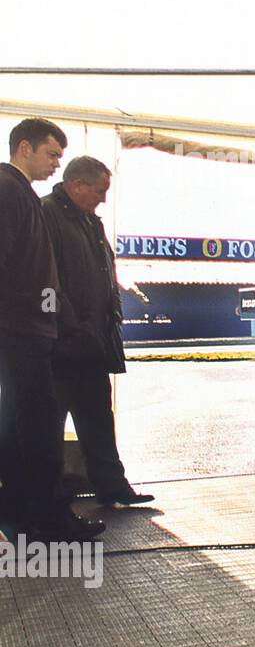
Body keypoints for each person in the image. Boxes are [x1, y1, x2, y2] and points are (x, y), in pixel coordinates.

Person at [0, 119, 104, 539]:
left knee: (22, 422)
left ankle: (21, 516)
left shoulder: (22, 194)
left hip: (31, 329)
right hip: (20, 331)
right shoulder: (9, 191)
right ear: (24, 148)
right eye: (51, 155)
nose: (56, 164)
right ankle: (44, 520)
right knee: (38, 426)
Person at [41, 157, 155, 510]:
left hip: (92, 343)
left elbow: (104, 276)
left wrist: (108, 320)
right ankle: (47, 502)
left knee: (99, 421)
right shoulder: (46, 215)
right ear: (76, 185)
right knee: (48, 426)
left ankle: (113, 488)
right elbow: (45, 282)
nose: (103, 199)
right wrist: (66, 326)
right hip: (61, 347)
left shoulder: (91, 223)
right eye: (99, 190)